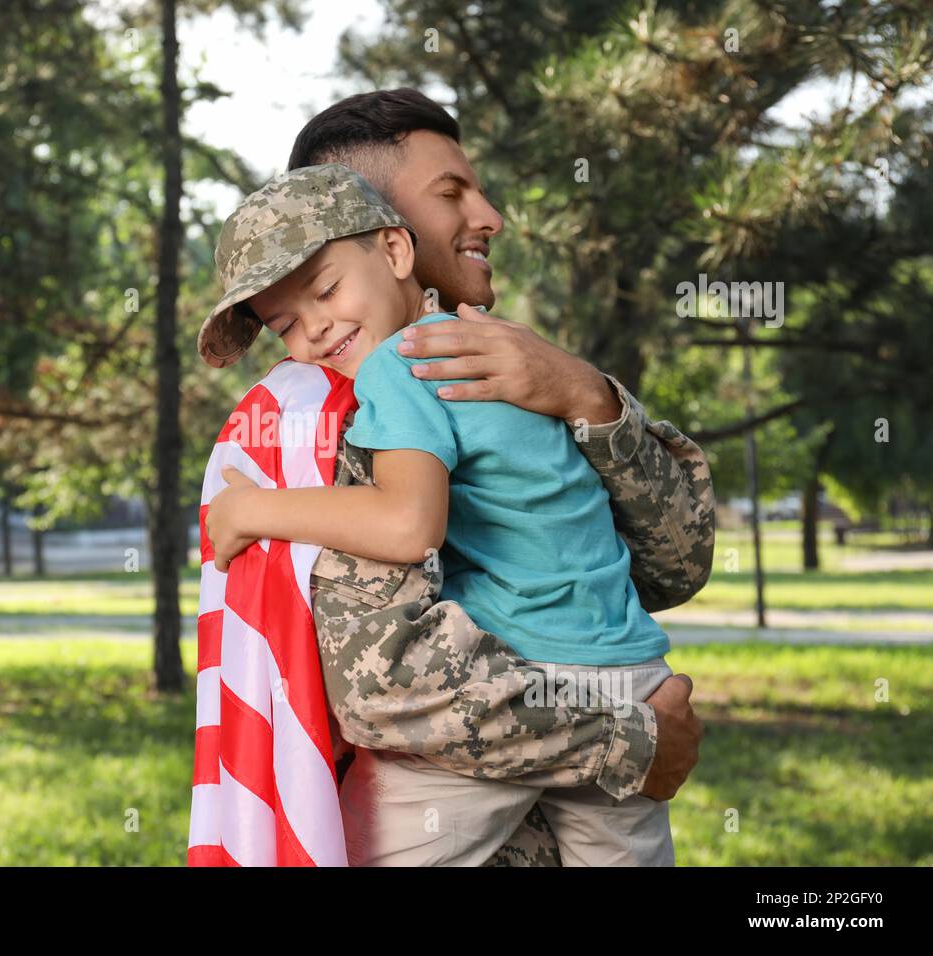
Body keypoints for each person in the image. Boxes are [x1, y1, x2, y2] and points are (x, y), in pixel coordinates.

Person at [197, 89, 711, 865]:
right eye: (452, 193)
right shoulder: (321, 419)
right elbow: (393, 686)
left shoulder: (494, 361)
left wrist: (587, 396)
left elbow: (673, 564)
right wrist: (631, 741)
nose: (489, 215)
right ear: (389, 225)